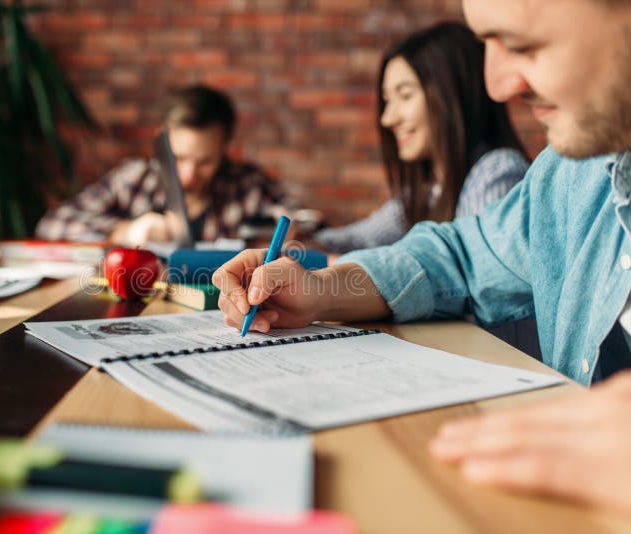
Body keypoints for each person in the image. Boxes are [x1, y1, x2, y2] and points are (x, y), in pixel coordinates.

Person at [213, 0, 631, 513]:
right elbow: (455, 255)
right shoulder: (572, 174)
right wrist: (323, 287)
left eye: (522, 45)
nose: (497, 85)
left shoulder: (504, 167)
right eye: (486, 45)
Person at [314, 22, 528, 254]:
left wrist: (342, 269)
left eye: (405, 96)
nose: (387, 118)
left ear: (452, 96)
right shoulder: (430, 188)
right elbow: (360, 237)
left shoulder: (497, 172)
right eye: (388, 100)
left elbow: (469, 274)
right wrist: (300, 244)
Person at [35, 84, 289, 245]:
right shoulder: (135, 177)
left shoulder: (250, 184)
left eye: (205, 162)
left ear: (224, 147)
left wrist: (292, 234)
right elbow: (53, 223)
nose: (189, 175)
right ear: (162, 141)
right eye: (179, 158)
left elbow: (306, 226)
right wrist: (125, 231)